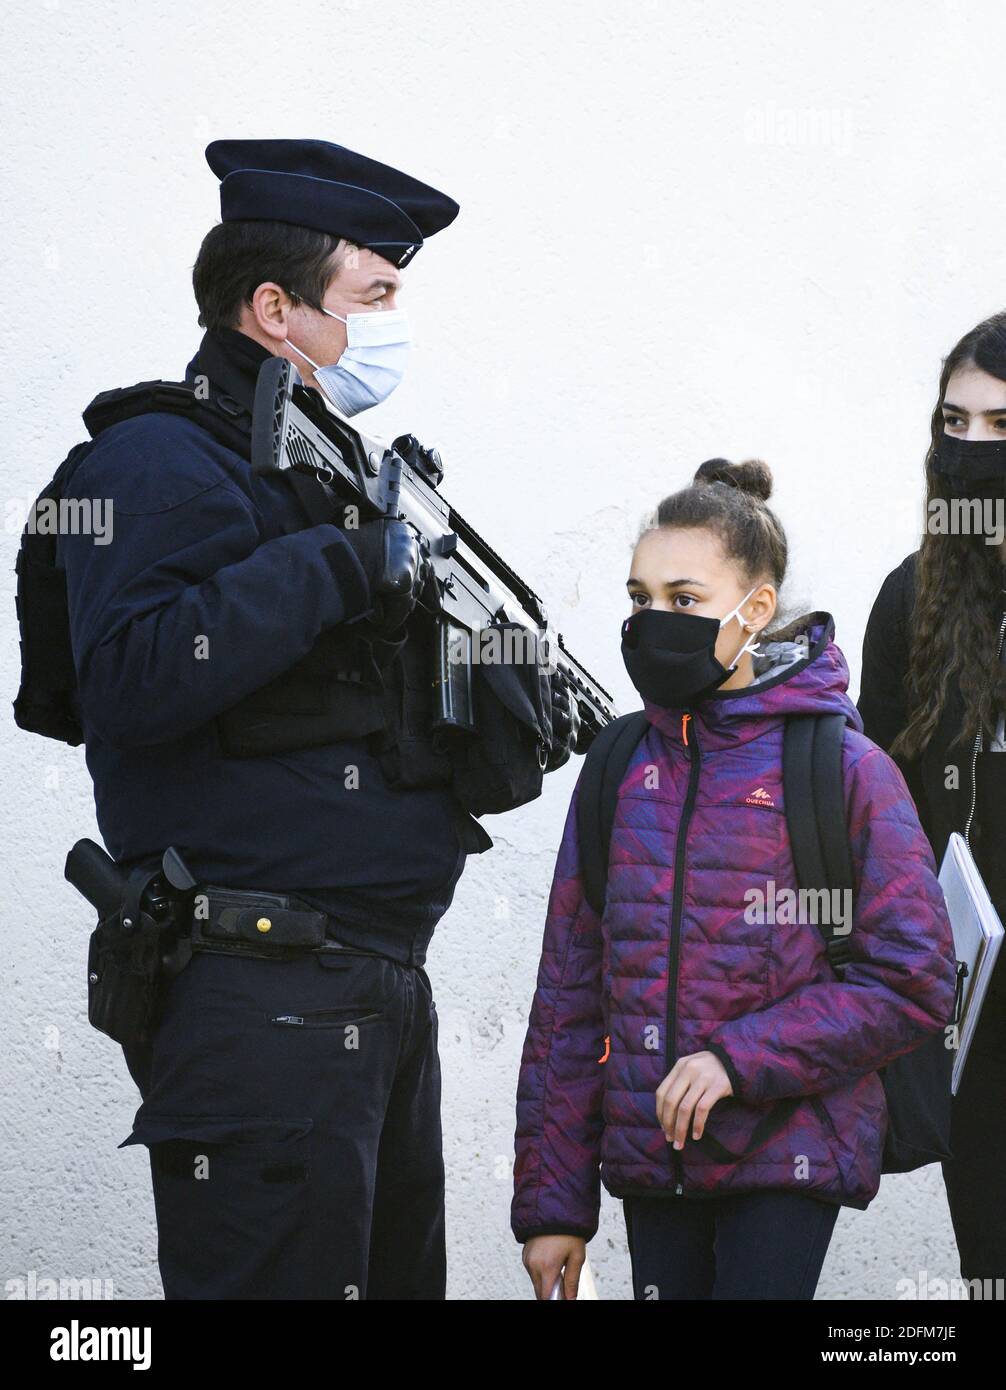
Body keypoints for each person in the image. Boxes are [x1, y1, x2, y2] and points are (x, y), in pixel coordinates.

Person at [55, 137, 492, 1300]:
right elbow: (134, 679)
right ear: (273, 308)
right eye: (376, 296)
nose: (396, 323)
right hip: (263, 992)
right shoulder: (152, 458)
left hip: (375, 985)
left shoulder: (331, 478)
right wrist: (338, 569)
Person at [511, 459, 957, 1300]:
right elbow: (569, 997)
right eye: (640, 598)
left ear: (755, 611)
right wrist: (551, 1205)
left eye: (684, 599)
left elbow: (915, 978)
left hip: (789, 1159)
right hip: (650, 1166)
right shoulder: (617, 764)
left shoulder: (844, 767)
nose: (652, 621)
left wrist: (735, 1060)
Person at [859, 310, 1006, 1293]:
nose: (971, 449)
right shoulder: (912, 603)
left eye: (1001, 425)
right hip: (979, 1009)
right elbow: (877, 816)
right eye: (955, 423)